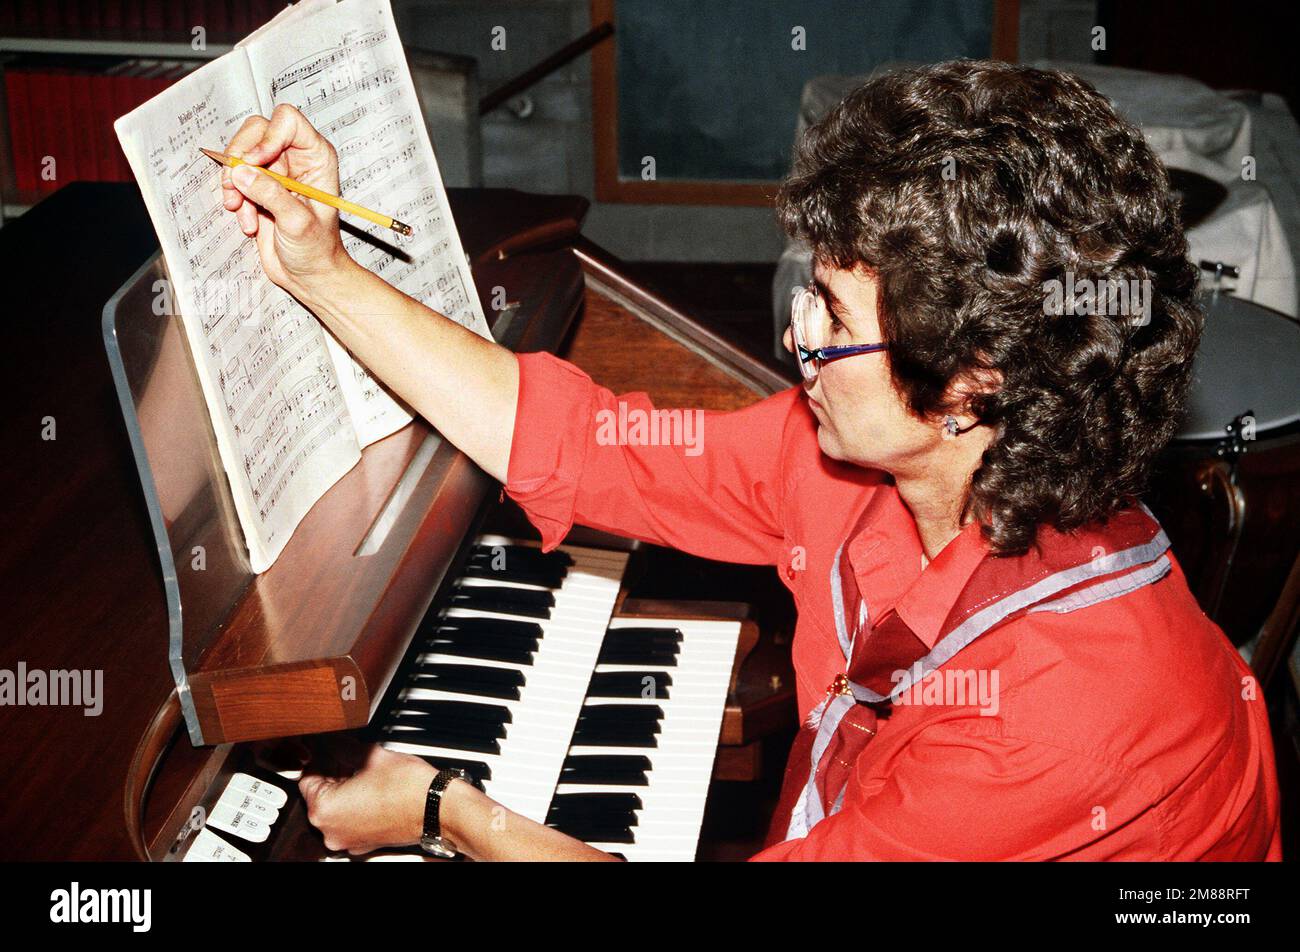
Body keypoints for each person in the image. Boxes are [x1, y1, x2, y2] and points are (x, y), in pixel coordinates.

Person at [219, 60, 1281, 861]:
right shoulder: (862, 459)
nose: (795, 336)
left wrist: (445, 807)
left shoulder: (1053, 717)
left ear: (971, 381)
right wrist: (322, 269)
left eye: (832, 310)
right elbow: (583, 443)